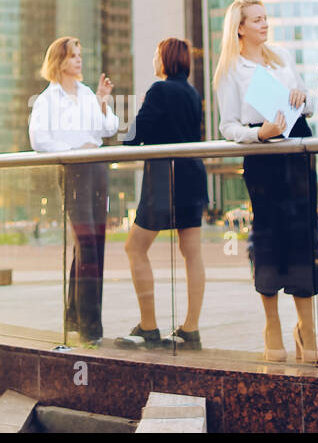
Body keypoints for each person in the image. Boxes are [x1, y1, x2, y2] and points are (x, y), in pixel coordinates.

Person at [215, 0, 318, 363]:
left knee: (303, 237)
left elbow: (311, 102)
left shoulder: (282, 58)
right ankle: (272, 326)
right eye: (256, 20)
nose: (264, 24)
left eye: (265, 18)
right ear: (240, 28)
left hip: (297, 151)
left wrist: (302, 97)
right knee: (269, 237)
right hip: (263, 156)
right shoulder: (231, 70)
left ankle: (307, 328)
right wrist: (260, 133)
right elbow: (227, 126)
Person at [117, 37, 209, 351]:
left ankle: (149, 326)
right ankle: (190, 329)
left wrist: (144, 106)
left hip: (163, 180)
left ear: (166, 59)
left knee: (134, 248)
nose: (155, 60)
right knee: (192, 253)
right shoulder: (193, 93)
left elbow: (133, 137)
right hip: (193, 177)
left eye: (157, 54)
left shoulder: (159, 91)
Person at [29, 36, 119, 345]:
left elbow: (107, 130)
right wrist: (74, 148)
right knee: (87, 246)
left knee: (94, 245)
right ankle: (90, 328)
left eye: (80, 54)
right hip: (73, 171)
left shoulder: (88, 93)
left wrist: (103, 101)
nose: (79, 60)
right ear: (59, 62)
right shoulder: (47, 99)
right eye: (72, 56)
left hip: (97, 171)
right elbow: (39, 140)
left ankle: (74, 315)